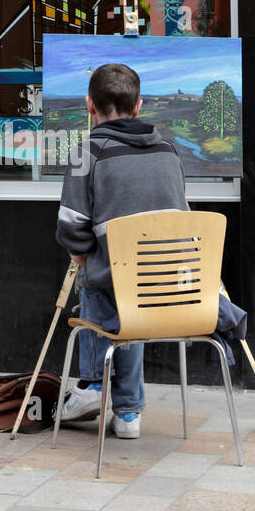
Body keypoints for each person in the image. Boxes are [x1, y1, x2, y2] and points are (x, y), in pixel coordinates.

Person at [55, 63, 188, 439]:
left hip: (117, 281)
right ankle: (128, 412)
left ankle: (93, 386)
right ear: (139, 105)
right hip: (176, 284)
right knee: (127, 285)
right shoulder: (168, 148)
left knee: (97, 272)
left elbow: (70, 224)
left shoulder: (87, 151)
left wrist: (80, 255)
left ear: (89, 105)